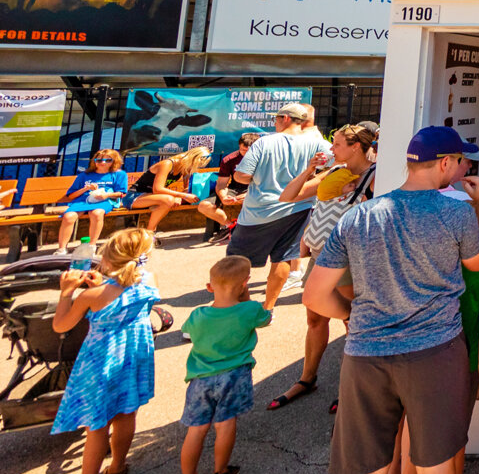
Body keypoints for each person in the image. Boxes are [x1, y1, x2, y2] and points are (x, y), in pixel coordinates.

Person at [306, 126, 479, 474]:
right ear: (447, 163)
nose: (465, 169)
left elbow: (315, 294)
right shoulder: (454, 210)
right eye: (462, 162)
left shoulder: (360, 216)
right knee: (433, 471)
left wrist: (353, 315)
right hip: (433, 352)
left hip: (366, 358)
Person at [39, 228, 159, 474]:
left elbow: (61, 326)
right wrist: (106, 281)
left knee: (98, 423)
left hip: (102, 359)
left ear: (106, 258)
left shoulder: (91, 296)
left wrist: (67, 293)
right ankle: (117, 468)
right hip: (135, 354)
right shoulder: (148, 279)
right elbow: (123, 290)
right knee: (126, 412)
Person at [268, 123, 379, 410]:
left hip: (350, 257)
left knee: (352, 322)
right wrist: (309, 170)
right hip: (322, 252)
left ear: (356, 147)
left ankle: (353, 387)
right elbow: (288, 196)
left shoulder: (375, 176)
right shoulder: (333, 171)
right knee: (315, 318)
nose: (332, 149)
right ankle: (307, 378)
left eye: (338, 144)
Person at [174, 255, 270, 474]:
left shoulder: (198, 315)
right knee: (225, 424)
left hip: (200, 378)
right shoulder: (249, 310)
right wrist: (246, 297)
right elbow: (266, 319)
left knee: (196, 430)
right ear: (245, 284)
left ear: (209, 286)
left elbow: (188, 333)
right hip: (234, 375)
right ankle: (220, 473)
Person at [228, 103, 332, 312]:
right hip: (297, 209)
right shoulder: (317, 143)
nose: (274, 122)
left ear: (285, 118)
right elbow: (336, 164)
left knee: (235, 262)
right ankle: (268, 308)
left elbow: (241, 175)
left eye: (276, 118)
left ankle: (238, 307)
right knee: (283, 259)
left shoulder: (264, 142)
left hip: (258, 212)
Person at [126, 146, 224, 239]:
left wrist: (181, 196)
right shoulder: (167, 164)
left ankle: (150, 232)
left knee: (169, 200)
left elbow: (186, 189)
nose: (197, 167)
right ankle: (150, 234)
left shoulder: (184, 167)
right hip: (134, 197)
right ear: (195, 159)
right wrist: (182, 195)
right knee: (168, 200)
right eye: (199, 164)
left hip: (155, 198)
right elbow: (157, 189)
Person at [55, 148, 129, 252]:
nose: (102, 163)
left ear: (114, 161)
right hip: (83, 201)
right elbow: (71, 196)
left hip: (104, 201)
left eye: (108, 160)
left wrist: (107, 195)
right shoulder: (84, 175)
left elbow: (122, 193)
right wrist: (86, 188)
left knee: (97, 214)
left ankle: (92, 246)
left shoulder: (119, 174)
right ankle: (61, 249)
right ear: (94, 162)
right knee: (68, 217)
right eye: (99, 160)